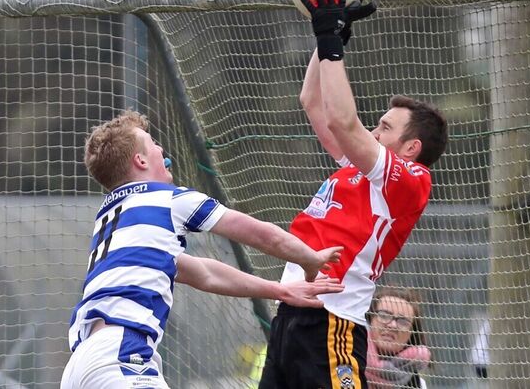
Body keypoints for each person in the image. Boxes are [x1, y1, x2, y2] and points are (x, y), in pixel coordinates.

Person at [257, 0, 450, 389]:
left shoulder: (409, 179)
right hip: (291, 312)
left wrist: (328, 34)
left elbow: (344, 123)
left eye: (384, 126)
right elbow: (314, 102)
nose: (373, 131)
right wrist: (335, 35)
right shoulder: (358, 167)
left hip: (333, 322)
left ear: (411, 147)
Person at [62, 111, 347, 389]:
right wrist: (310, 259)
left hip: (81, 365)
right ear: (140, 160)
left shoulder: (113, 218)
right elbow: (259, 234)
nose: (162, 149)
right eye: (153, 144)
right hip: (122, 355)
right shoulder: (166, 199)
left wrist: (280, 290)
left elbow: (204, 273)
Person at [366, 287, 432, 389]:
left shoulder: (417, 384)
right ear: (369, 320)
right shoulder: (344, 361)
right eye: (384, 315)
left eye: (403, 321)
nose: (392, 325)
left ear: (412, 333)